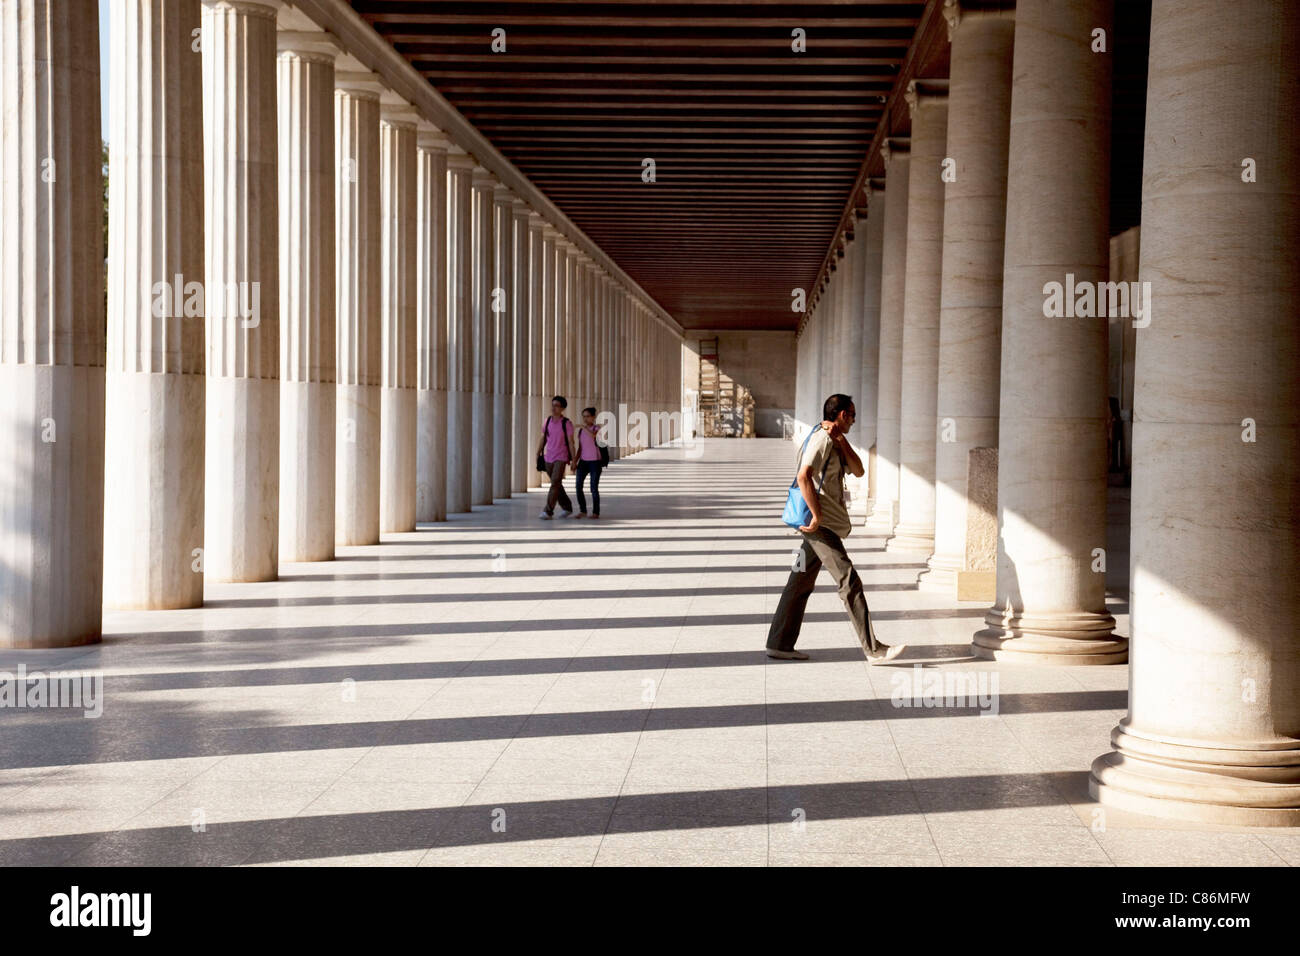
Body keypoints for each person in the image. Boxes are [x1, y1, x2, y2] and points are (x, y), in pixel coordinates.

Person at [766, 394, 905, 663]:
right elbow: (803, 476)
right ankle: (873, 649)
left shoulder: (834, 440)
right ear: (841, 415)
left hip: (819, 523)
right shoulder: (821, 439)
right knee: (848, 580)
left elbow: (859, 470)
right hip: (820, 525)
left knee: (799, 583)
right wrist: (817, 516)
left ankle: (779, 642)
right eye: (852, 415)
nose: (854, 419)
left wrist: (842, 440)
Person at [537, 396, 576, 519]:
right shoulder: (547, 421)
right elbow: (543, 438)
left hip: (561, 456)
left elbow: (571, 442)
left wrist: (574, 460)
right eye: (553, 405)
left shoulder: (567, 423)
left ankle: (548, 511)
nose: (553, 408)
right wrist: (538, 451)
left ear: (562, 408)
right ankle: (567, 507)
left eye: (557, 406)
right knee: (556, 483)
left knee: (554, 483)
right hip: (549, 456)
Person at [572, 407, 603, 519]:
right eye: (583, 416)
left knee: (593, 488)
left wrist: (582, 427)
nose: (585, 419)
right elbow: (580, 448)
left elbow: (593, 436)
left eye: (587, 416)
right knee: (578, 486)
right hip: (583, 462)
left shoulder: (597, 428)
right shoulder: (581, 431)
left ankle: (596, 512)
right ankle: (583, 510)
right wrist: (575, 461)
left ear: (593, 417)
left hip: (595, 462)